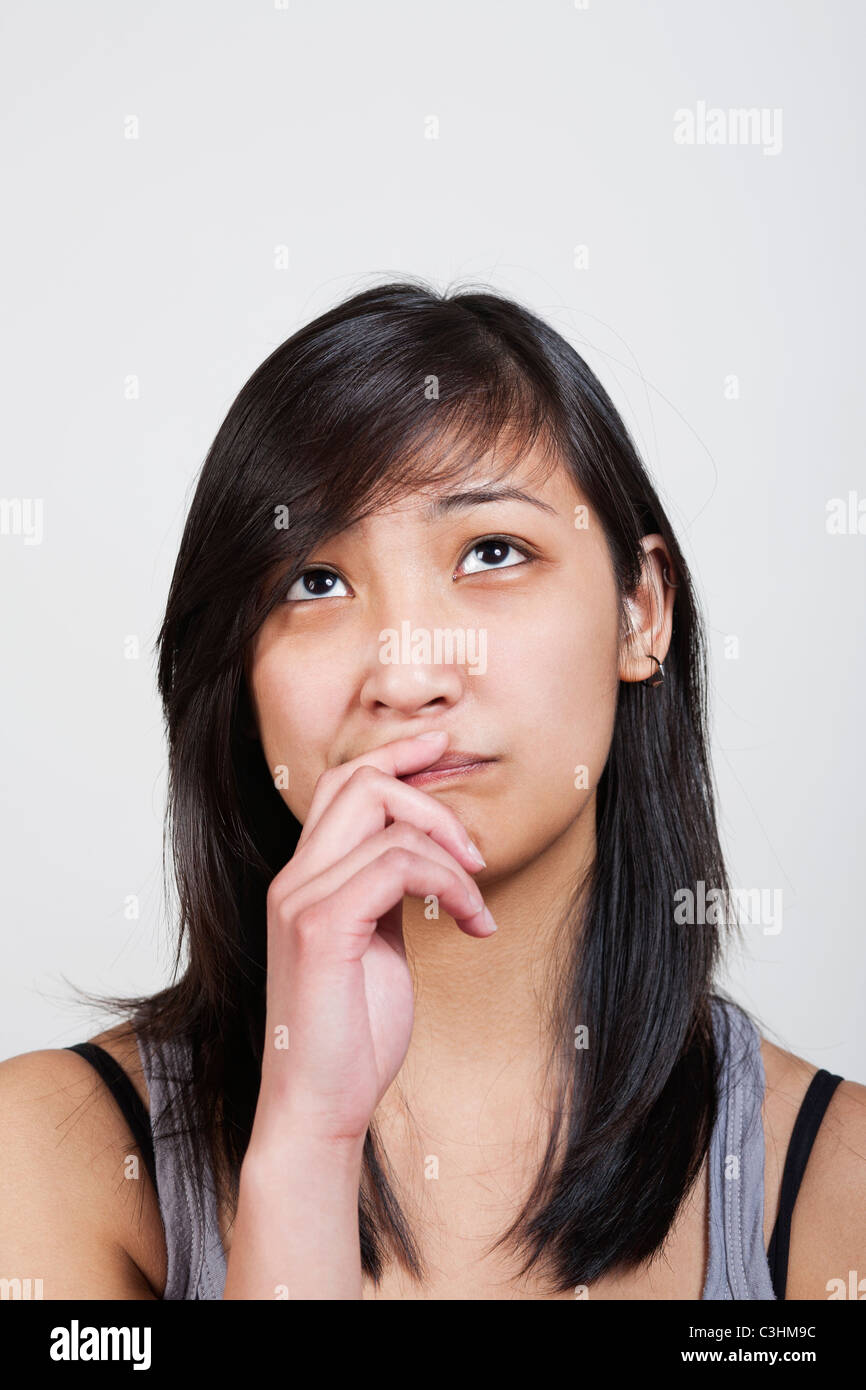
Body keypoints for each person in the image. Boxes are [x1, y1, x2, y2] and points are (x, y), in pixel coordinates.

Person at [1, 281, 864, 1300]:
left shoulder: (831, 1181)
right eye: (313, 581)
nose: (409, 672)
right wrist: (305, 1149)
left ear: (640, 610)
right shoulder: (49, 1154)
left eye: (492, 552)